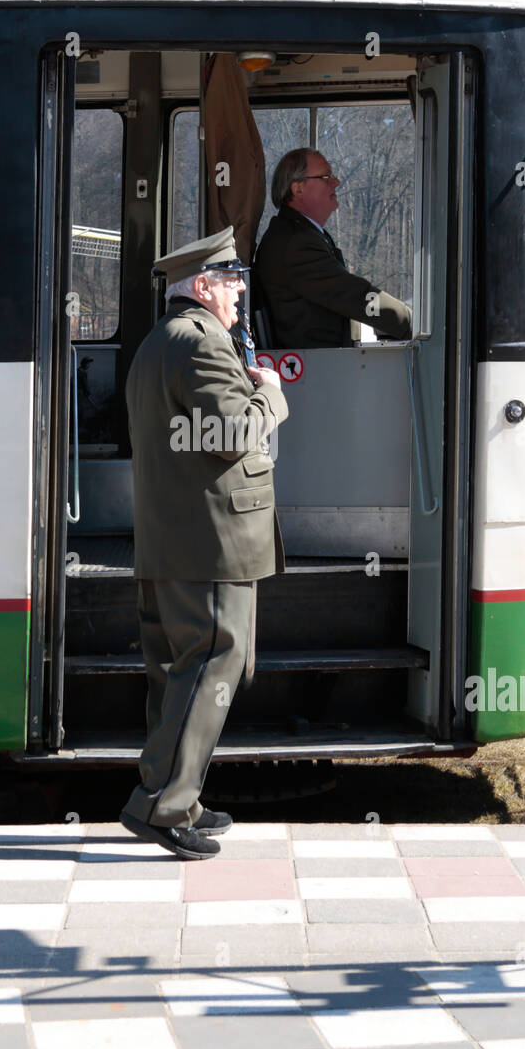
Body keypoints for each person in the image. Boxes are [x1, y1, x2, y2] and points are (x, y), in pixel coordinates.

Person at [120, 226, 289, 860]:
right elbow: (232, 431)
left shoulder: (161, 343)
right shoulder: (199, 345)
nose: (242, 289)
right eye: (232, 278)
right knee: (214, 662)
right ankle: (162, 806)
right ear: (205, 286)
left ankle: (179, 795)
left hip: (174, 539)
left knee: (177, 673)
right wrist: (270, 395)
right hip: (211, 541)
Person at [253, 147, 412, 348]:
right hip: (318, 366)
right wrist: (411, 322)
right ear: (298, 188)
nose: (336, 182)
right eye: (326, 176)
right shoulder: (296, 242)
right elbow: (353, 295)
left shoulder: (301, 232)